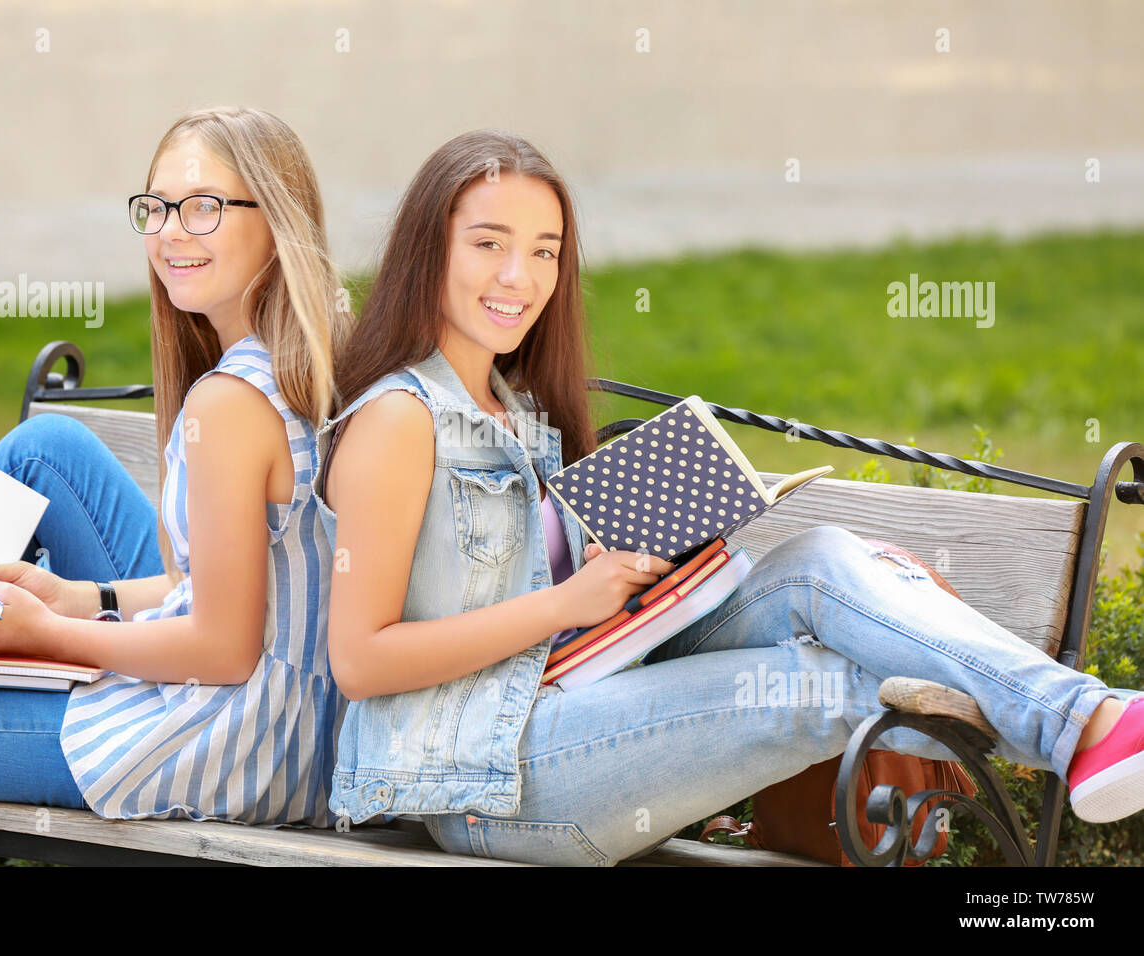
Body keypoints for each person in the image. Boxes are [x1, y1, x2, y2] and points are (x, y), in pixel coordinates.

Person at [312, 128, 1144, 866]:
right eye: (488, 243)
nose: (518, 276)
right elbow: (361, 659)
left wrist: (635, 567)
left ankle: (1092, 723)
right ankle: (1077, 737)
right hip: (476, 782)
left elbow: (536, 606)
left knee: (822, 561)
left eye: (544, 250)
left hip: (567, 695)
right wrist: (567, 598)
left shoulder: (517, 407)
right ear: (431, 250)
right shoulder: (398, 418)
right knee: (833, 685)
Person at [0, 106, 348, 865]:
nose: (172, 231)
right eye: (157, 208)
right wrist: (84, 602)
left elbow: (223, 646)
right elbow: (224, 593)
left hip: (222, 743)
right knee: (49, 446)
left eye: (204, 207)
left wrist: (41, 633)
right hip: (284, 731)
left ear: (276, 220)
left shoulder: (232, 404)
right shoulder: (297, 363)